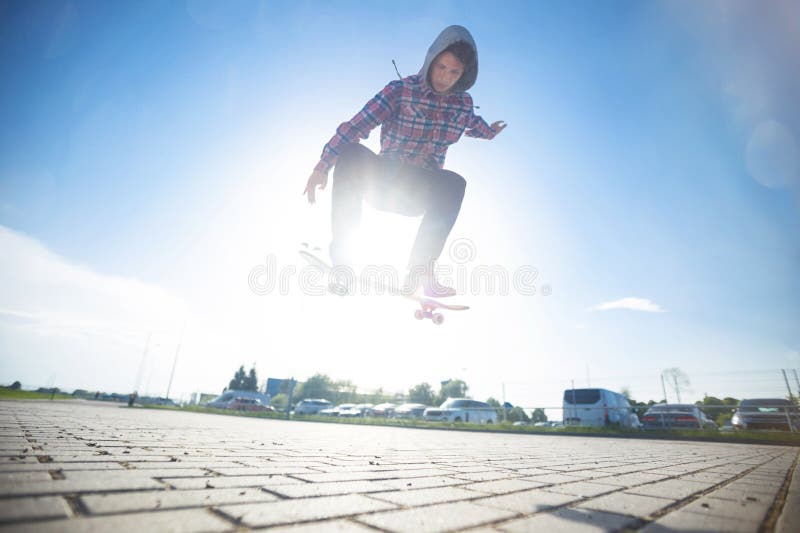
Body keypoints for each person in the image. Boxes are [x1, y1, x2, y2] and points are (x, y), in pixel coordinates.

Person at [303, 25, 506, 297]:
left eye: (454, 72)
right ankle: (344, 262)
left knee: (455, 184)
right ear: (431, 61)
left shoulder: (463, 105)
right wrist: (321, 167)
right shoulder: (400, 90)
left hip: (419, 191)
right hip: (384, 181)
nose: (445, 77)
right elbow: (356, 125)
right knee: (351, 153)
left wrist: (490, 132)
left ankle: (420, 273)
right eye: (441, 67)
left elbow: (475, 125)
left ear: (463, 75)